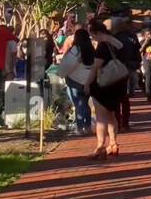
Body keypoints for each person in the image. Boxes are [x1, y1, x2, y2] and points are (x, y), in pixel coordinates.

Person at [84, 19, 128, 160]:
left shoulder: (103, 46)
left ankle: (100, 146)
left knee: (101, 118)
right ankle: (114, 143)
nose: (93, 38)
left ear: (97, 32)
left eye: (92, 35)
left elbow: (95, 67)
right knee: (112, 115)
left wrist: (87, 83)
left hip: (103, 84)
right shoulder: (118, 42)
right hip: (118, 82)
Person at [57, 28, 94, 136]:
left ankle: (80, 127)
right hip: (88, 81)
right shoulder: (91, 49)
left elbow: (67, 64)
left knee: (78, 105)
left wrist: (61, 73)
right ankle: (88, 127)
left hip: (74, 80)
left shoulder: (75, 50)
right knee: (85, 104)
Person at [111, 18, 141, 132]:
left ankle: (118, 122)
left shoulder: (114, 37)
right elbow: (137, 50)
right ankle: (125, 123)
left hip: (117, 68)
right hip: (129, 67)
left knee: (117, 98)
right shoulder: (132, 36)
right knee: (125, 97)